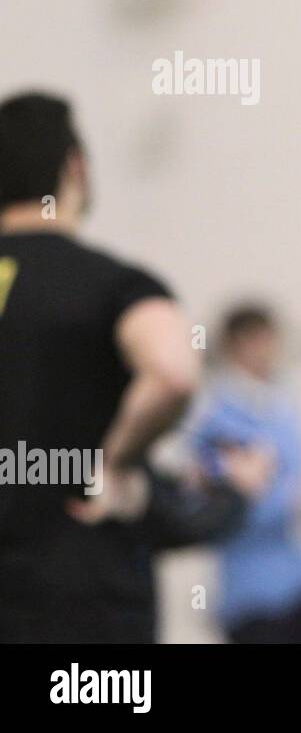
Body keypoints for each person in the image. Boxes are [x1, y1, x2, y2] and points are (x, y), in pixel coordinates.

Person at [0, 90, 201, 642]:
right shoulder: (109, 285)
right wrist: (115, 461)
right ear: (75, 167)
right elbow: (173, 372)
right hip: (85, 604)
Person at [192, 304, 301, 643]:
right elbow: (225, 508)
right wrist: (295, 503)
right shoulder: (218, 421)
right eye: (264, 341)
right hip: (254, 594)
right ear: (241, 344)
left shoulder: (281, 407)